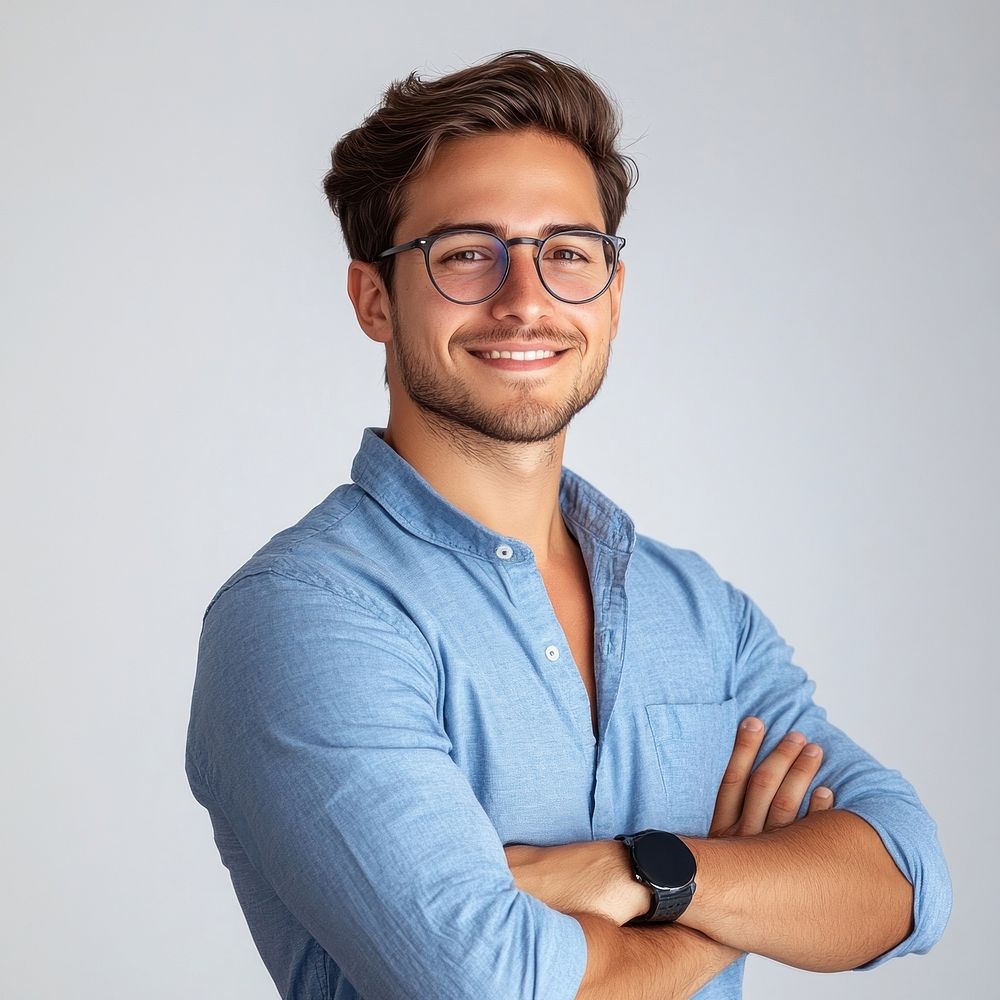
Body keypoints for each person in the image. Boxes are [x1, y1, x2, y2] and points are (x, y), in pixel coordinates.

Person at [185, 49, 951, 999]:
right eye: (465, 252)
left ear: (613, 297)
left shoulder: (702, 613)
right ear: (374, 299)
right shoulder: (306, 618)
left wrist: (639, 869)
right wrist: (725, 887)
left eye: (567, 253)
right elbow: (494, 987)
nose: (525, 298)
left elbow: (907, 879)